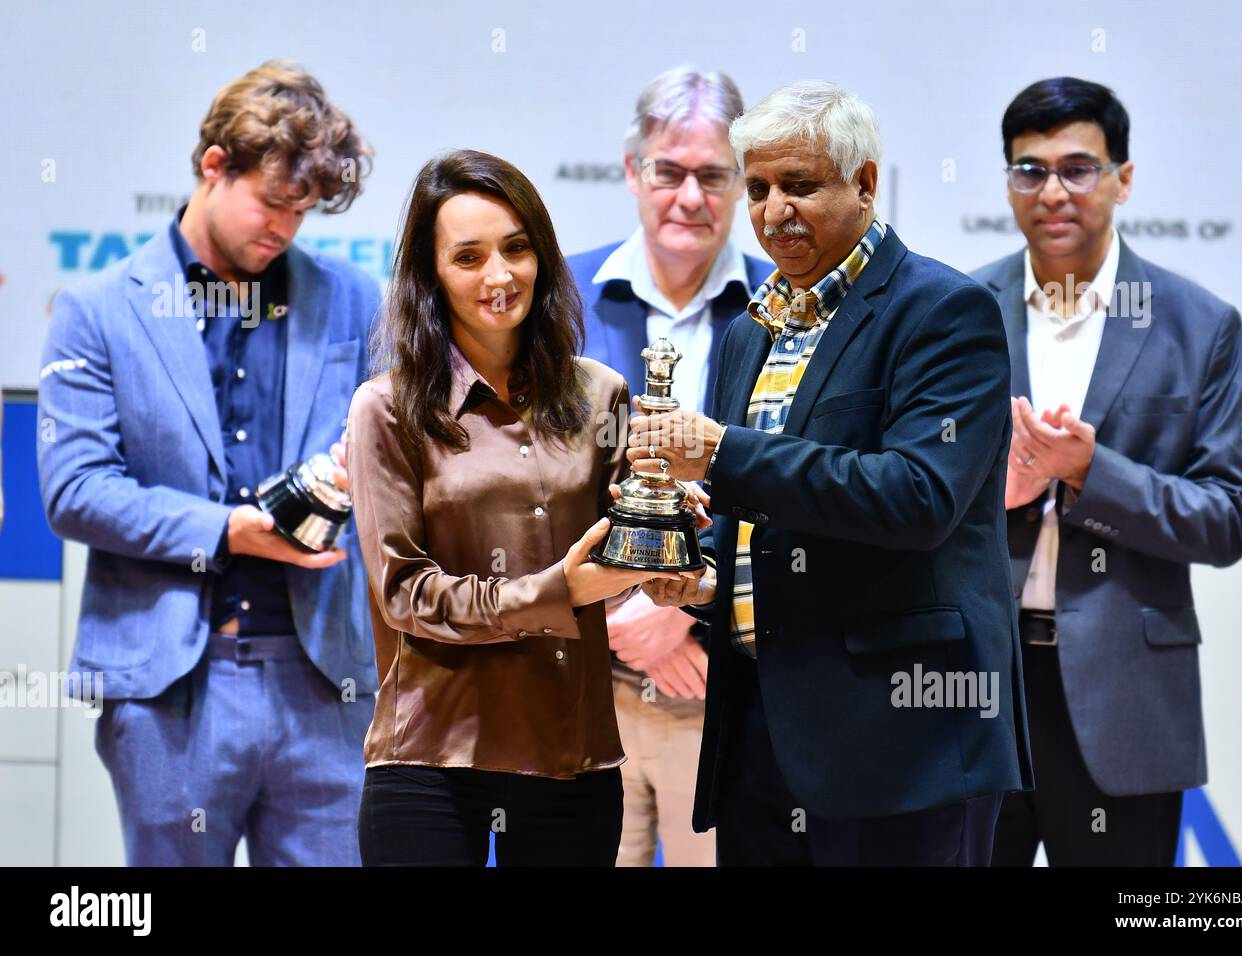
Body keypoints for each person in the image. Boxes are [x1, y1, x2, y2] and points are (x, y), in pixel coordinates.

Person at [632, 80, 1033, 866]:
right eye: (758, 188)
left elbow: (918, 497)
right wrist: (701, 582)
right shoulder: (751, 330)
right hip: (759, 733)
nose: (774, 209)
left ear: (866, 183)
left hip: (904, 743)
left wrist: (718, 452)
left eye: (800, 185)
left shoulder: (945, 311)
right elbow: (761, 528)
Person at [37, 61, 380, 865]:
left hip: (326, 683)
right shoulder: (97, 311)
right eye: (271, 203)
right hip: (170, 691)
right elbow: (75, 490)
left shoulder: (357, 300)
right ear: (214, 165)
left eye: (303, 212)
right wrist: (228, 531)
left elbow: (399, 463)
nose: (285, 229)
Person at [348, 149, 694, 867]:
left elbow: (629, 547)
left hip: (574, 756)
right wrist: (558, 591)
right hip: (430, 758)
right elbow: (405, 595)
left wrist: (672, 531)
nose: (500, 276)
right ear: (430, 274)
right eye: (469, 257)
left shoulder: (601, 394)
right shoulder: (387, 409)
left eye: (516, 248)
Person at [970, 77, 1242, 866]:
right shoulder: (959, 309)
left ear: (1123, 178)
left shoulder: (1198, 325)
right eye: (1030, 170)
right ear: (1007, 183)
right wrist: (999, 494)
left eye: (1078, 167)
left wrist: (1093, 473)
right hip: (978, 684)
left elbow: (1227, 517)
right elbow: (907, 488)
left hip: (1126, 691)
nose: (1052, 191)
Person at [567, 65, 770, 867]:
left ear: (743, 181)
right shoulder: (560, 297)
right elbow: (527, 476)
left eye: (714, 176)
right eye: (669, 172)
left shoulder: (782, 304)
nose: (689, 197)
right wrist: (615, 617)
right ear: (632, 171)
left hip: (711, 682)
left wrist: (685, 610)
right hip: (579, 680)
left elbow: (787, 480)